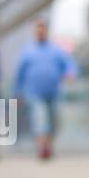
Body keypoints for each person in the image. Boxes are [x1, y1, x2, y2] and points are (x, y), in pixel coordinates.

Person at [13, 18, 77, 160]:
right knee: (40, 118)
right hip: (34, 93)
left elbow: (69, 64)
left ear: (46, 31)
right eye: (38, 29)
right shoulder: (27, 52)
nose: (40, 31)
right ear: (34, 32)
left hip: (53, 92)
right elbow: (19, 75)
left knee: (54, 121)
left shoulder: (56, 50)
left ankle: (49, 144)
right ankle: (42, 147)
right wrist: (16, 93)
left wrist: (71, 73)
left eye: (42, 28)